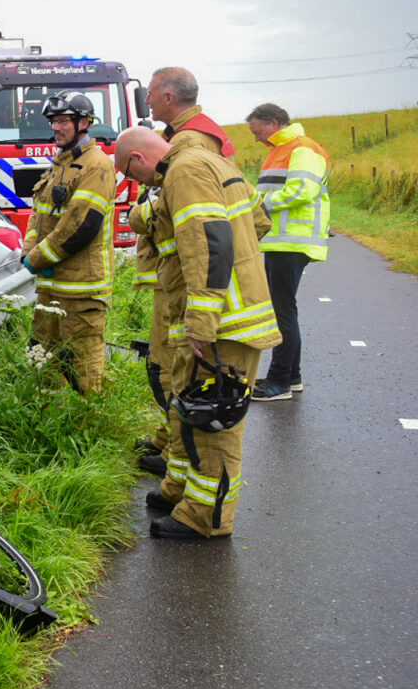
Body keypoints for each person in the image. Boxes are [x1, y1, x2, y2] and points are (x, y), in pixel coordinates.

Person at [113, 126, 281, 539]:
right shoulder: (211, 161)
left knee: (213, 422)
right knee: (187, 409)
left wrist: (203, 321)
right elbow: (258, 222)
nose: (142, 186)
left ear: (137, 160)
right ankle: (183, 491)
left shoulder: (183, 172)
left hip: (221, 323)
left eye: (134, 177)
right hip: (218, 317)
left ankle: (207, 519)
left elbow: (209, 242)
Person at [134, 67, 239, 472]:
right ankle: (169, 445)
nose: (147, 100)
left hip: (184, 282)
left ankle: (175, 458)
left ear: (170, 97)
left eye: (152, 94)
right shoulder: (187, 138)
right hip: (174, 278)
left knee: (174, 373)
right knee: (167, 369)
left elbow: (202, 230)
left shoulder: (191, 145)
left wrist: (142, 215)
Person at [21, 91, 116, 394]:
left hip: (81, 290)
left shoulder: (96, 166)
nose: (56, 128)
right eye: (54, 121)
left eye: (63, 121)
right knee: (43, 361)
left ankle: (88, 431)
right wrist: (28, 250)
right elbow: (39, 215)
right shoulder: (58, 165)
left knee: (82, 368)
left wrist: (37, 260)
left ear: (84, 123)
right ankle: (52, 423)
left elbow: (80, 226)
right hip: (51, 289)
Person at [246, 103, 331, 401]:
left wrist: (254, 205)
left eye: (258, 131)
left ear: (274, 122)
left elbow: (301, 192)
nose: (256, 138)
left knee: (282, 312)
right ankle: (290, 377)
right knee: (284, 309)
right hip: (283, 241)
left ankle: (280, 381)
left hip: (292, 241)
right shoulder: (279, 149)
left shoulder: (302, 148)